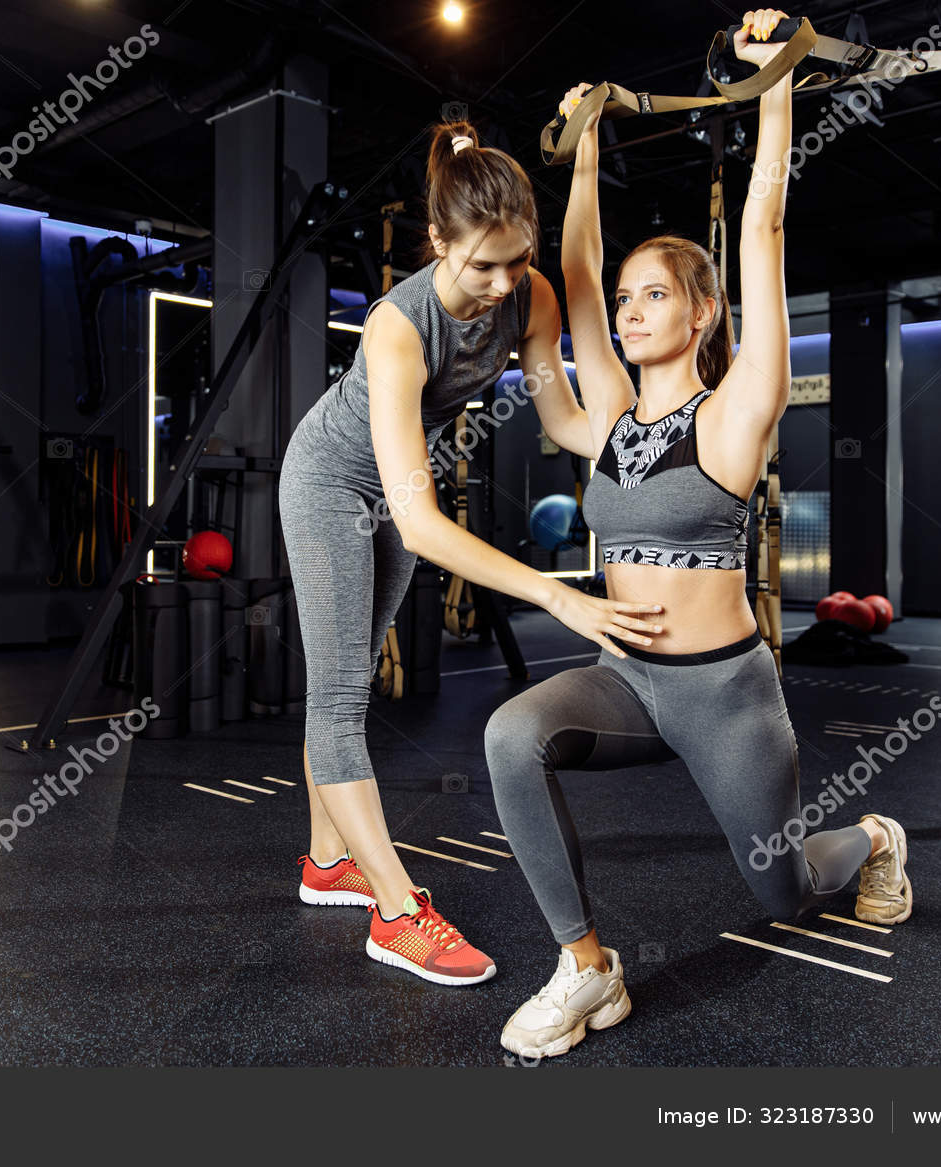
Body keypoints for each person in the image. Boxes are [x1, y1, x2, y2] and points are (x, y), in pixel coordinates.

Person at [486, 9, 913, 1054]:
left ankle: (869, 840)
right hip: (621, 678)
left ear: (701, 312)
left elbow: (762, 216)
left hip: (724, 695)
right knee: (508, 735)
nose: (628, 312)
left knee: (777, 891)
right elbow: (576, 275)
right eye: (625, 300)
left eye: (654, 296)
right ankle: (586, 968)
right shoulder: (601, 424)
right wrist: (585, 141)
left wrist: (776, 73)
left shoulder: (734, 415)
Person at [279, 119, 663, 986]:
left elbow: (562, 414)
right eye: (478, 265)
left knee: (345, 679)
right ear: (438, 242)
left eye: (516, 261)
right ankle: (395, 909)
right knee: (340, 696)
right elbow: (421, 525)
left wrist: (636, 440)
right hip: (331, 483)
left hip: (395, 488)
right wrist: (559, 595)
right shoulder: (397, 328)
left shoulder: (532, 295)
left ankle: (324, 860)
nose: (499, 284)